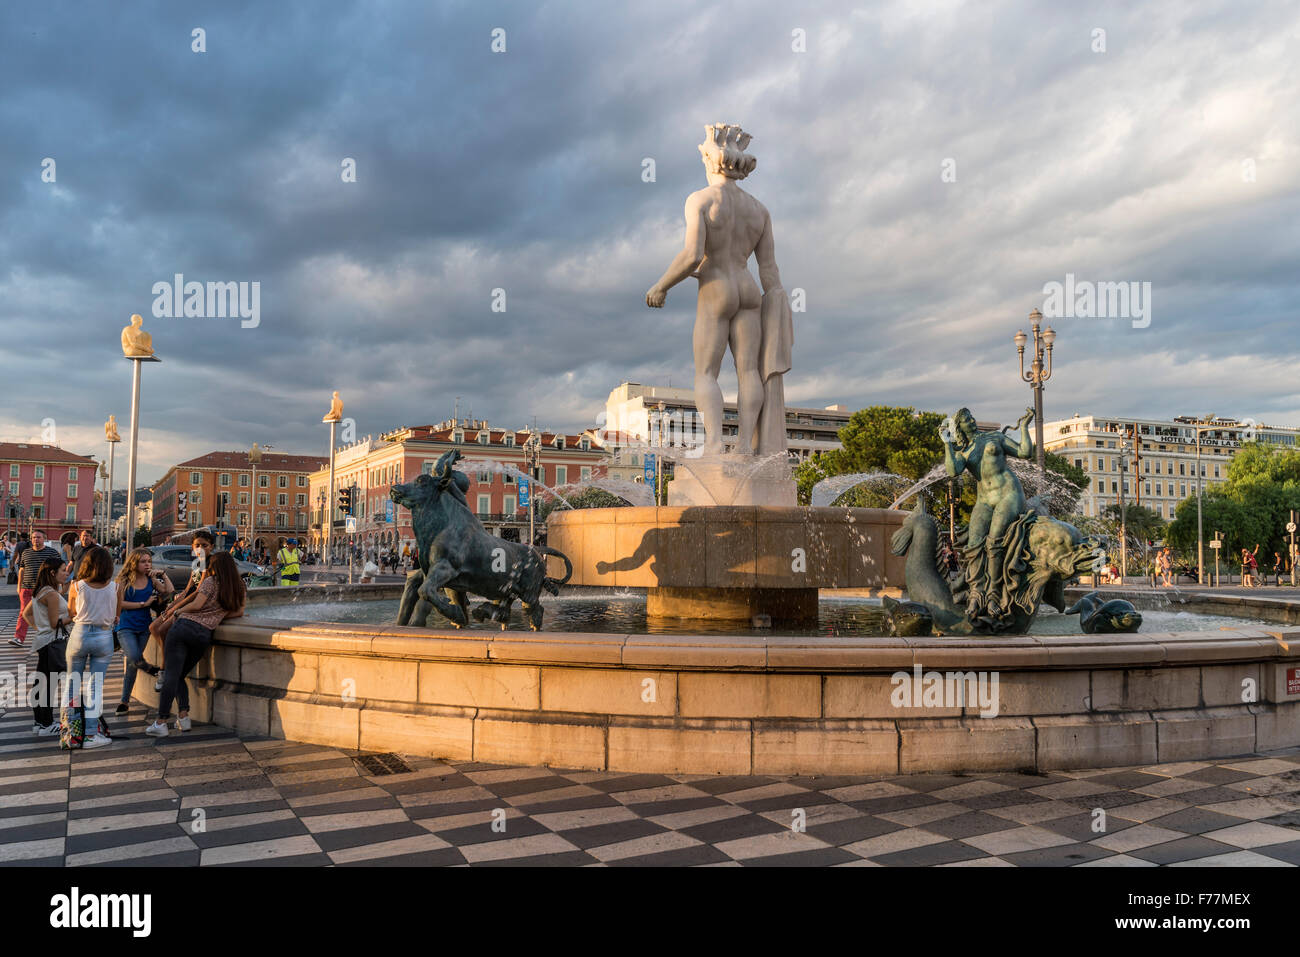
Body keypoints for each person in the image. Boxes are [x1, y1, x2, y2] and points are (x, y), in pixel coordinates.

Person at [146, 551, 246, 737]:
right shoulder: (239, 586)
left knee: (171, 675)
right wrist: (216, 616)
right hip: (204, 635)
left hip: (184, 628)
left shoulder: (210, 582)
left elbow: (197, 605)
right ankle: (183, 717)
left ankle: (160, 722)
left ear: (215, 567)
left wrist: (178, 612)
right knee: (179, 675)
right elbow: (239, 612)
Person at [62, 546, 119, 749]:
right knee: (95, 687)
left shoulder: (76, 586)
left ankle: (71, 735)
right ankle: (91, 735)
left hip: (80, 634)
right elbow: (116, 616)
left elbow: (71, 612)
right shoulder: (116, 587)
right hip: (103, 636)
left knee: (72, 684)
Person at [148, 529, 214, 692]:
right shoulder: (196, 563)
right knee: (153, 627)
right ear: (192, 547)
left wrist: (176, 608)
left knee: (162, 629)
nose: (200, 549)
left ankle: (164, 669)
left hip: (195, 604)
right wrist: (172, 604)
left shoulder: (210, 564)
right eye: (197, 545)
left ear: (211, 547)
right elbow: (187, 589)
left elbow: (198, 592)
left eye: (204, 545)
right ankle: (170, 660)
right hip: (186, 600)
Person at [114, 548, 174, 715]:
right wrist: (144, 604)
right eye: (143, 561)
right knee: (134, 657)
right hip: (125, 626)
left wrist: (163, 575)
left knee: (132, 664)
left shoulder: (151, 579)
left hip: (144, 627)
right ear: (134, 563)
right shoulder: (124, 580)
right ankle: (151, 669)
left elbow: (169, 591)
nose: (147, 564)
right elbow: (120, 604)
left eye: (149, 561)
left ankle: (124, 701)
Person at [20, 557, 70, 735]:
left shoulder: (42, 590)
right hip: (53, 642)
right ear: (52, 573)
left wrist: (40, 628)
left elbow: (26, 614)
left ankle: (39, 722)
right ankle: (47, 724)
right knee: (49, 685)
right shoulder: (51, 594)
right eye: (63, 570)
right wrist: (75, 615)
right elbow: (55, 623)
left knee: (41, 682)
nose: (66, 573)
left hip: (44, 641)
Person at [10, 530, 62, 647]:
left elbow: (58, 570)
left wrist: (57, 586)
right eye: (33, 537)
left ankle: (50, 636)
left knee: (46, 613)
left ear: (44, 539)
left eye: (38, 537)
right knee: (24, 612)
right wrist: (19, 586)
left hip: (44, 588)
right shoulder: (26, 552)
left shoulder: (52, 552)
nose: (35, 539)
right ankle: (18, 638)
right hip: (27, 587)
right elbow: (22, 570)